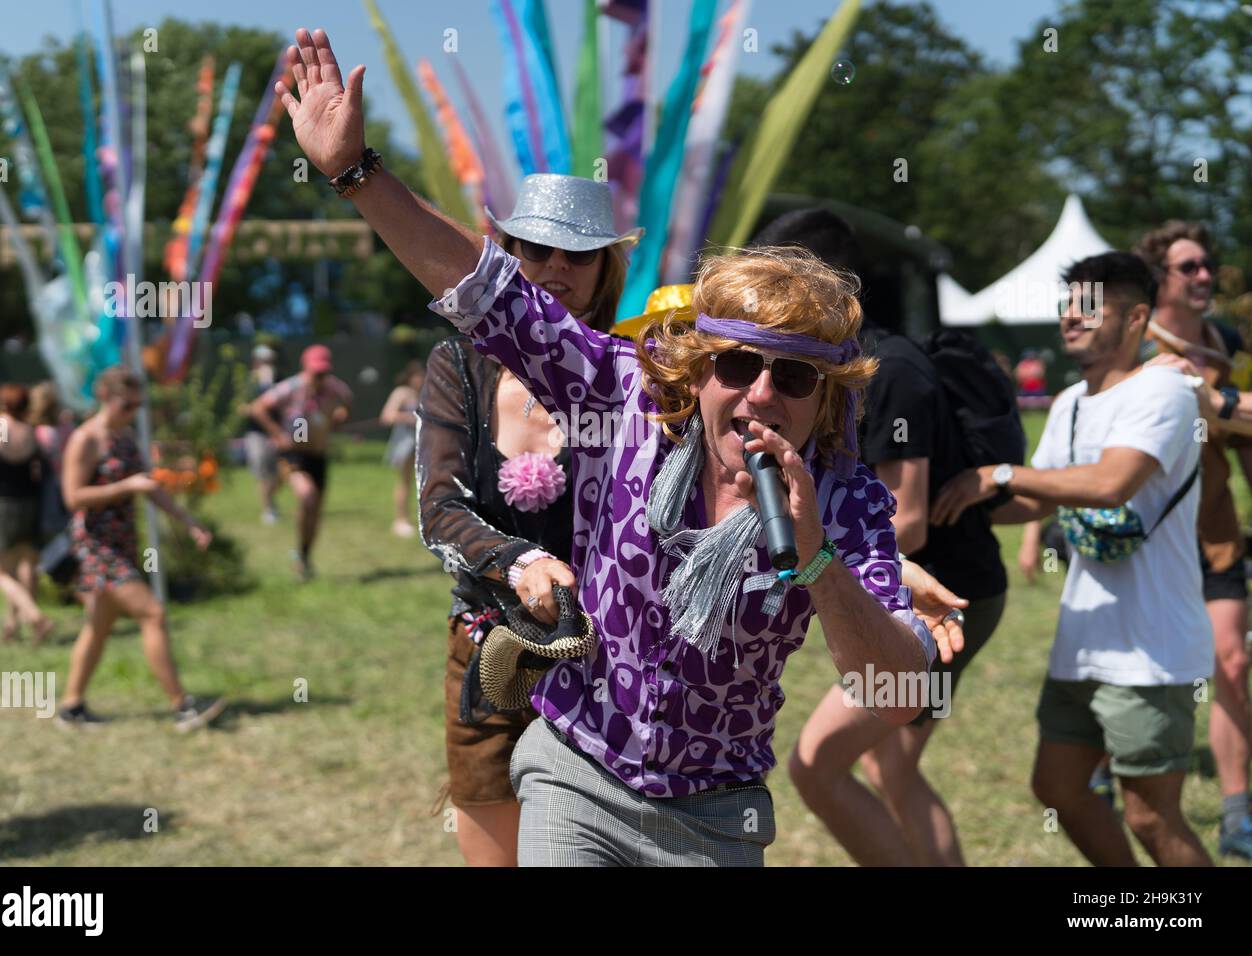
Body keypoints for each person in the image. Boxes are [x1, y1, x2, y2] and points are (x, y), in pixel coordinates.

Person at [279, 27, 963, 865]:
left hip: (716, 812)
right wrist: (356, 174)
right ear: (698, 367)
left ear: (825, 399)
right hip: (577, 771)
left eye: (793, 379)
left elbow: (890, 694)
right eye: (739, 364)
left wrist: (820, 563)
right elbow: (486, 290)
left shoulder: (845, 498)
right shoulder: (627, 394)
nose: (759, 393)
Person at [933, 252, 1213, 866]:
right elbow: (1035, 500)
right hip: (1082, 641)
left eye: (1089, 306)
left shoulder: (1165, 389)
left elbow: (1110, 483)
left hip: (1152, 650)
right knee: (1058, 788)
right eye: (1066, 304)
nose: (1070, 317)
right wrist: (942, 513)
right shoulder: (1069, 403)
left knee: (1149, 812)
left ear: (1137, 317)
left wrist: (997, 473)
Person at [762, 210, 1008, 866]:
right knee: (887, 769)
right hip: (912, 589)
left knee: (818, 766)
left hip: (945, 599)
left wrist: (818, 561)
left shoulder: (887, 370)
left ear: (829, 287)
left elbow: (908, 520)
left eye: (779, 282)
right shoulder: (818, 364)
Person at [417, 172, 638, 866]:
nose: (555, 268)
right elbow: (440, 508)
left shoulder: (631, 372)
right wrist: (519, 560)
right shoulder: (458, 363)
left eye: (579, 255)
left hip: (605, 659)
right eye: (536, 249)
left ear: (606, 268)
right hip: (488, 653)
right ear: (509, 254)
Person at [1134, 221, 1252, 859]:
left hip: (1216, 535)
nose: (1205, 275)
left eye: (1208, 264)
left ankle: (1237, 816)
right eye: (1190, 267)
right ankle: (1105, 760)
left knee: (1231, 662)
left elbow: (1236, 429)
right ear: (1161, 279)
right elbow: (1203, 407)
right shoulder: (1142, 345)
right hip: (1151, 542)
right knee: (1143, 670)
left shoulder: (1225, 340)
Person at [57, 365, 224, 731]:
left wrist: (187, 520)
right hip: (98, 546)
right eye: (126, 404)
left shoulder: (126, 436)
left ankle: (71, 708)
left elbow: (149, 486)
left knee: (98, 628)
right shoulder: (86, 439)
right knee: (153, 614)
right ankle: (182, 707)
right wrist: (125, 488)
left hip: (122, 542)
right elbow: (73, 496)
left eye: (137, 405)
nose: (132, 411)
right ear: (105, 397)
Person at [249, 344, 353, 579]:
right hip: (293, 453)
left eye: (324, 372)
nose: (320, 377)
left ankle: (303, 556)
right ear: (305, 368)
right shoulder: (290, 387)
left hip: (318, 455)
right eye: (316, 372)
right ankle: (273, 495)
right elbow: (258, 408)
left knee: (314, 512)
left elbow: (348, 401)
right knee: (307, 495)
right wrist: (277, 434)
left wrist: (339, 417)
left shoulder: (335, 388)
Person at [0, 383, 54, 645]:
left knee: (2, 574)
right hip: (31, 503)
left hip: (1, 506)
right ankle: (12, 626)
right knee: (26, 566)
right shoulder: (31, 434)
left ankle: (36, 617)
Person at [381, 360, 424, 539]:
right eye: (419, 376)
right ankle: (400, 520)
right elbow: (387, 416)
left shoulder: (424, 393)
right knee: (405, 481)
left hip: (422, 443)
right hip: (404, 444)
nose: (422, 379)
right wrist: (409, 417)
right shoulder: (402, 392)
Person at [242, 344, 282, 524]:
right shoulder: (249, 383)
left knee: (280, 473)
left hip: (277, 433)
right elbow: (241, 407)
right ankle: (268, 508)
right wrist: (257, 408)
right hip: (257, 434)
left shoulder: (279, 380)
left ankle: (270, 501)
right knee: (263, 473)